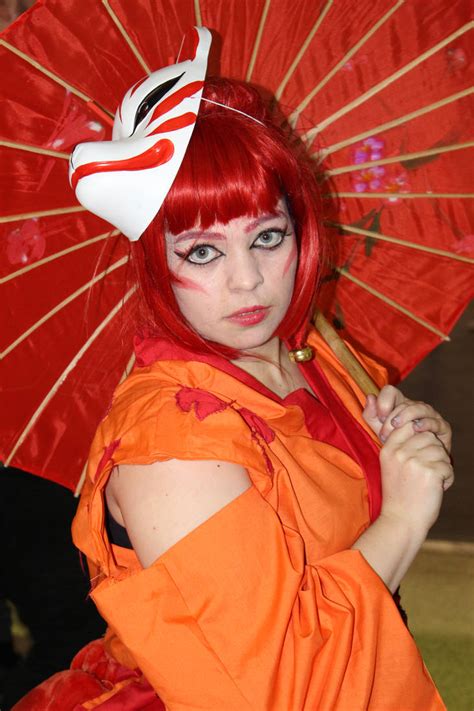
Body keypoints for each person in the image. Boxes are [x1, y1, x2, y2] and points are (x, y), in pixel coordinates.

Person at [14, 27, 453, 711]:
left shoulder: (312, 351)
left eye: (267, 236)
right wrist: (403, 514)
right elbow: (279, 691)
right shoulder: (172, 443)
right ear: (155, 260)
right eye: (201, 251)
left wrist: (401, 445)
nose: (248, 282)